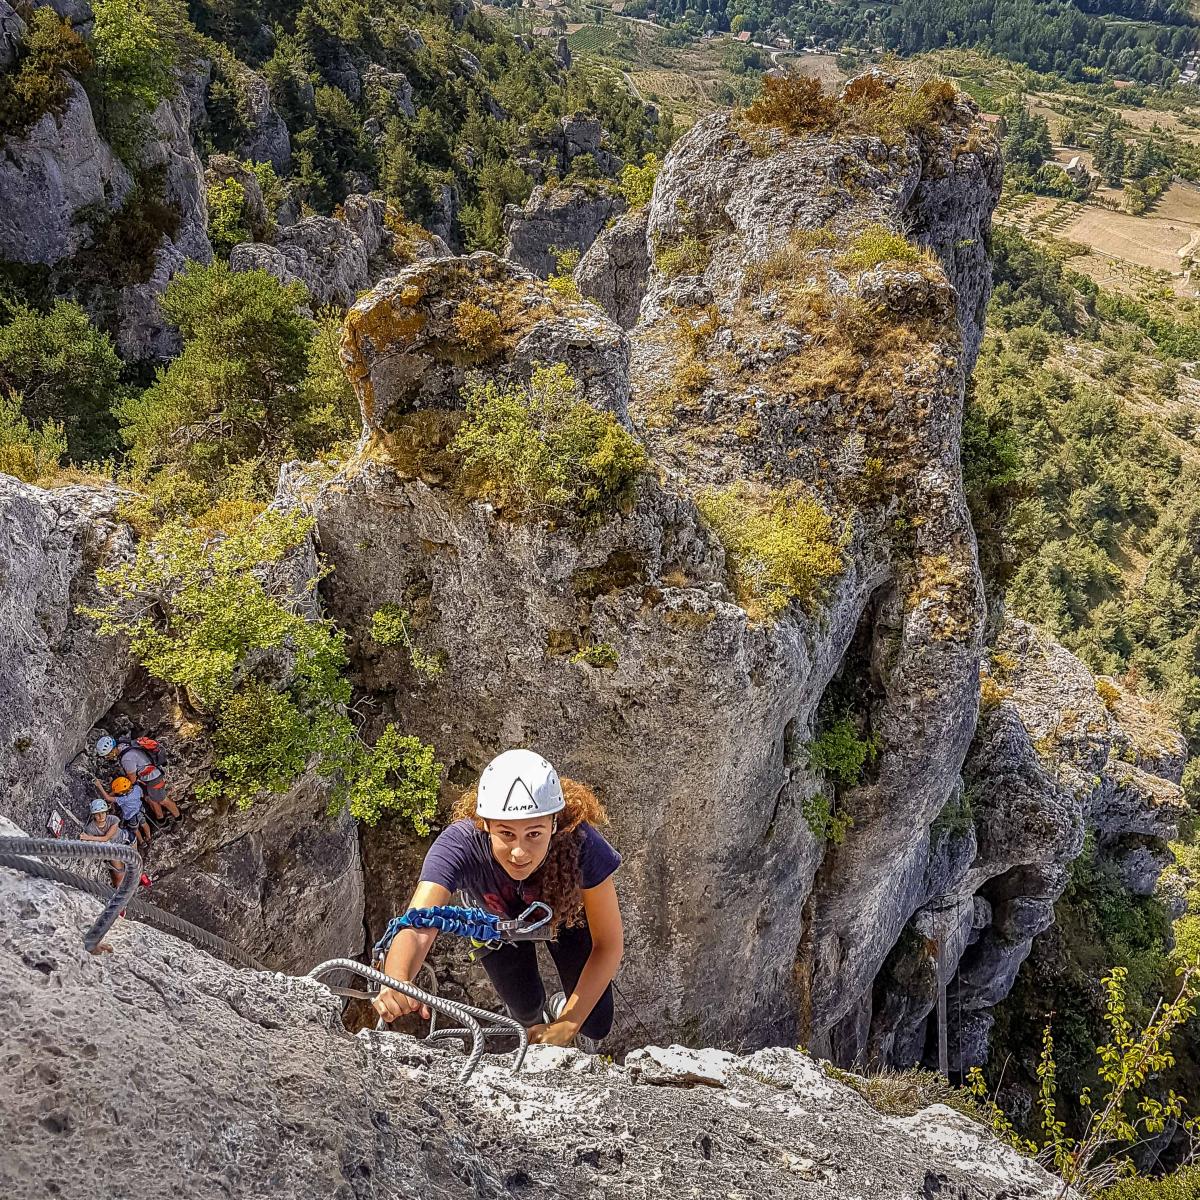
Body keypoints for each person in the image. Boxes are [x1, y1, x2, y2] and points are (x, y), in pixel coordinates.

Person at [372, 749, 624, 1049]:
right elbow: (418, 921)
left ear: (554, 825)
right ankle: (540, 1024)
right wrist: (398, 978)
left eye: (534, 834)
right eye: (506, 833)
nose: (519, 852)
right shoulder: (460, 844)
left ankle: (559, 1009)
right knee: (525, 1012)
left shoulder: (582, 843)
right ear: (485, 824)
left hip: (565, 920)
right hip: (495, 929)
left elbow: (608, 943)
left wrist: (567, 1024)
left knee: (595, 1024)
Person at [95, 733, 180, 822]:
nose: (107, 758)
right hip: (149, 776)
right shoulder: (124, 745)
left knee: (162, 800)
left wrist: (115, 792)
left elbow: (132, 779)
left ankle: (178, 817)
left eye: (107, 755)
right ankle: (161, 819)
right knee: (151, 800)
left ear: (112, 751)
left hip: (153, 778)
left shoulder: (126, 759)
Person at [79, 797, 131, 889]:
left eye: (103, 813)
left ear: (106, 812)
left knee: (133, 863)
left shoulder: (113, 820)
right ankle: (119, 889)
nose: (101, 816)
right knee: (119, 872)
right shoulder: (90, 828)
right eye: (97, 814)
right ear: (93, 815)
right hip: (113, 849)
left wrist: (87, 837)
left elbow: (106, 838)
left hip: (125, 841)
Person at [94, 776, 151, 849]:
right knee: (144, 823)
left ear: (122, 793)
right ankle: (148, 837)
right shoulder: (137, 788)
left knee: (135, 829)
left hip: (131, 816)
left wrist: (99, 786)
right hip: (140, 810)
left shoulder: (123, 799)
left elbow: (108, 798)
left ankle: (142, 842)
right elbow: (142, 795)